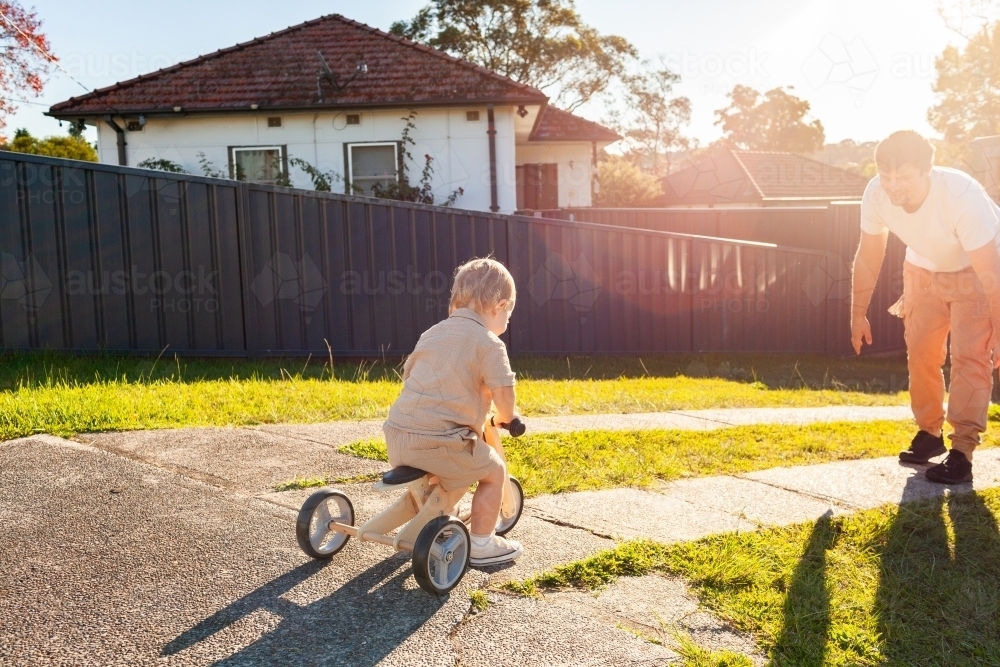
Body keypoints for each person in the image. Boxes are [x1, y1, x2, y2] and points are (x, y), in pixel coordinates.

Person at [851, 130, 1000, 484]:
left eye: (903, 177)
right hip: (922, 268)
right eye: (887, 176)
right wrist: (857, 312)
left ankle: (962, 451)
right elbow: (869, 254)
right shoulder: (876, 193)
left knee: (969, 357)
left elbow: (990, 271)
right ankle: (929, 435)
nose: (893, 185)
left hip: (978, 271)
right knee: (920, 352)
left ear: (927, 170)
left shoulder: (961, 196)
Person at [383, 257, 523, 565]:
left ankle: (440, 516)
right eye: (509, 312)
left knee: (444, 467)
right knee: (493, 471)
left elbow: (410, 375)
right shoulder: (489, 344)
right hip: (441, 442)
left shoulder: (432, 333)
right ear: (499, 306)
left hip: (397, 437)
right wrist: (507, 418)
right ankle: (483, 544)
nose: (508, 319)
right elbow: (503, 391)